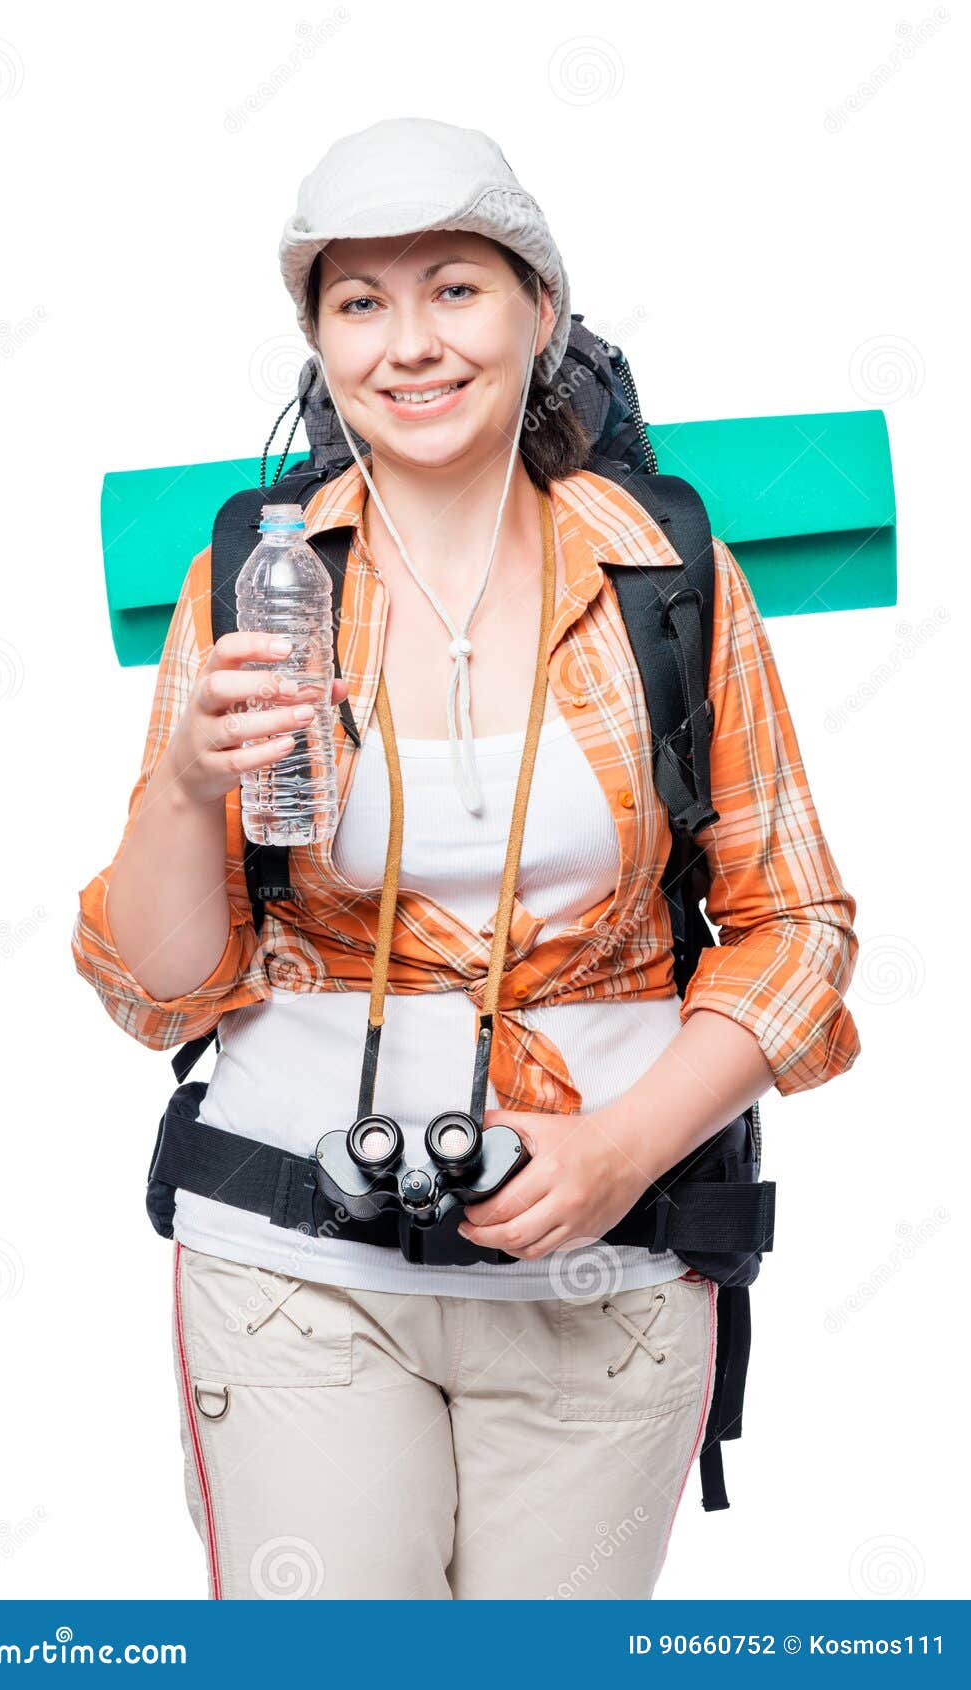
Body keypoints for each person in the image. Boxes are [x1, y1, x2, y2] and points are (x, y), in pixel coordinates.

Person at [72, 118, 861, 1601]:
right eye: (359, 303)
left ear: (540, 310)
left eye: (455, 289)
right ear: (316, 343)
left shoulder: (668, 574)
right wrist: (184, 779)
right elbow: (162, 992)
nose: (409, 345)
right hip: (291, 1257)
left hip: (608, 1267)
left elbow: (798, 928)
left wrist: (624, 1149)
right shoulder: (257, 574)